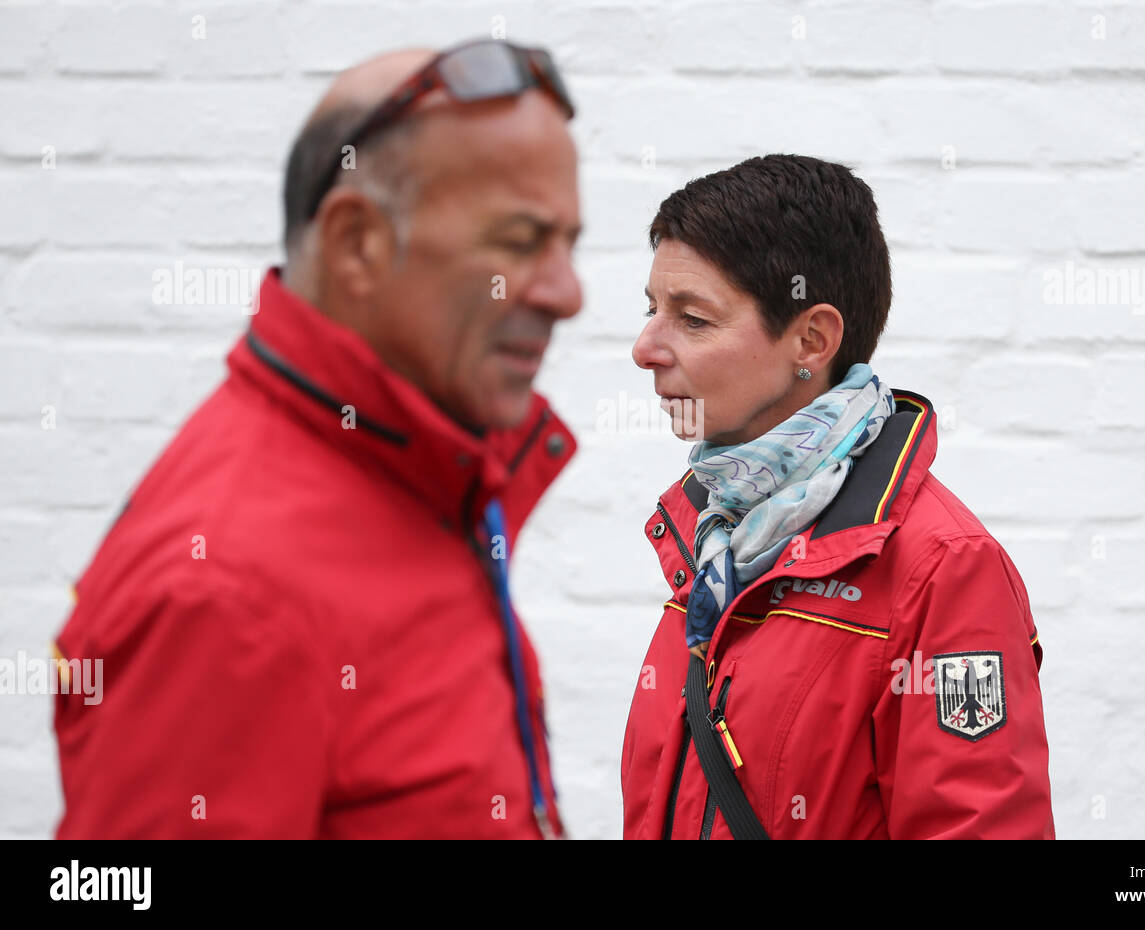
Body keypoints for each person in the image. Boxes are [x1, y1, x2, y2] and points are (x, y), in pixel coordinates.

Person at [52, 39, 584, 839]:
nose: (566, 293)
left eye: (568, 244)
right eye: (517, 241)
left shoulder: (420, 478)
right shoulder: (223, 593)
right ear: (357, 245)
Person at [621, 154, 1054, 839]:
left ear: (811, 340)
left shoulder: (942, 570)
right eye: (652, 310)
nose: (645, 347)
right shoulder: (713, 540)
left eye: (693, 319)